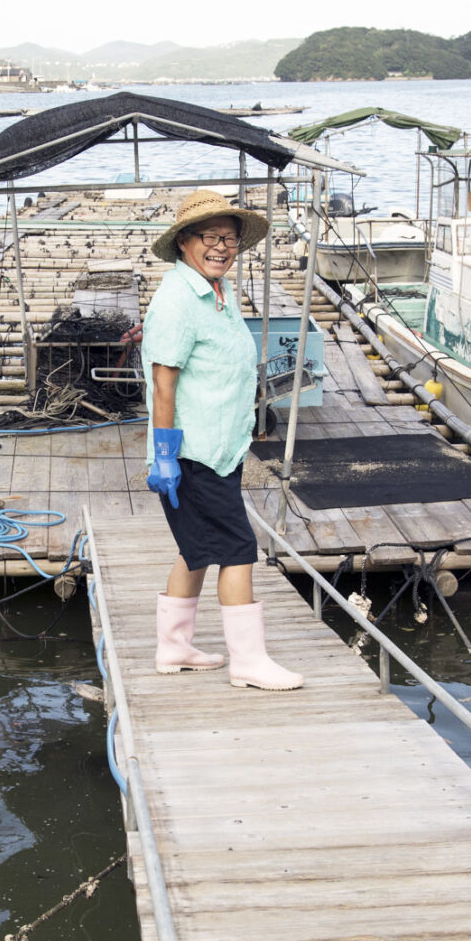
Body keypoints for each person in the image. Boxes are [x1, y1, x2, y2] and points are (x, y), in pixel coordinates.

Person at [139, 189, 303, 691]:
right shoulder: (176, 300)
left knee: (197, 548)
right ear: (185, 242)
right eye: (210, 237)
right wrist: (165, 455)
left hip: (220, 446)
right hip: (192, 452)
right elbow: (163, 381)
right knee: (237, 548)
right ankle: (249, 662)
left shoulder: (218, 292)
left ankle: (174, 646)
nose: (221, 247)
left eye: (229, 239)